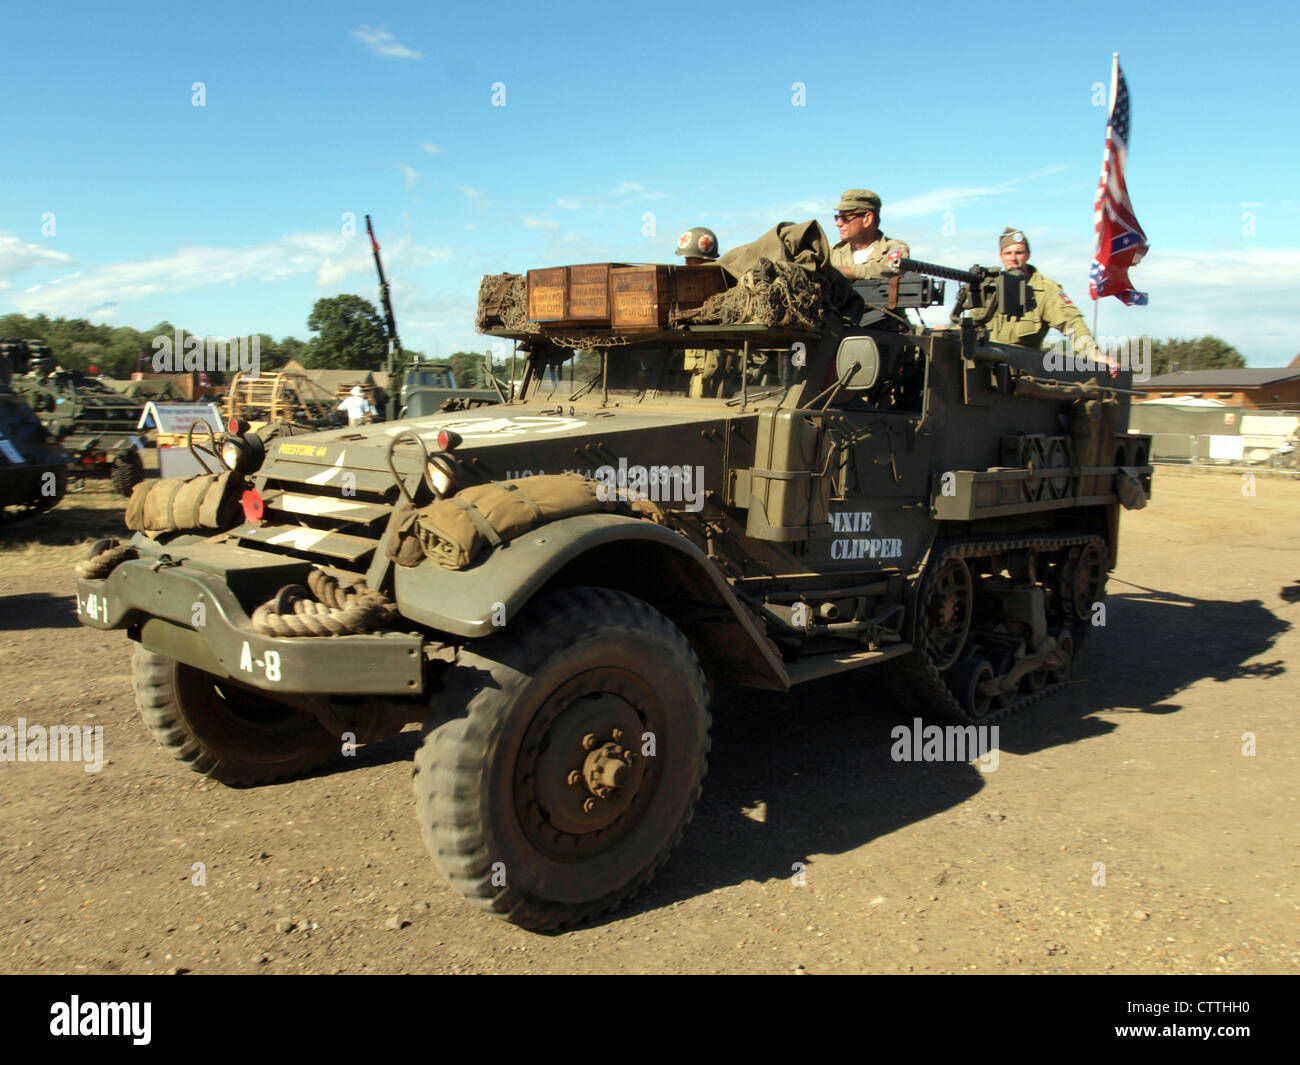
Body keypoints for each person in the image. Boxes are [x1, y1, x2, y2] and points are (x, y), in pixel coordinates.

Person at [986, 227, 1097, 354]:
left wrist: (1092, 353)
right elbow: (970, 325)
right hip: (983, 362)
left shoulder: (1045, 290)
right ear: (1001, 257)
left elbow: (1071, 322)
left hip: (1021, 363)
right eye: (1008, 253)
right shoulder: (989, 288)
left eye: (1019, 253)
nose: (1013, 258)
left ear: (1028, 255)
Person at [829, 189, 909, 280]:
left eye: (845, 217)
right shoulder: (831, 254)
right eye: (837, 217)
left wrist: (840, 271)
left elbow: (891, 269)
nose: (838, 223)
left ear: (867, 219)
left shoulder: (893, 248)